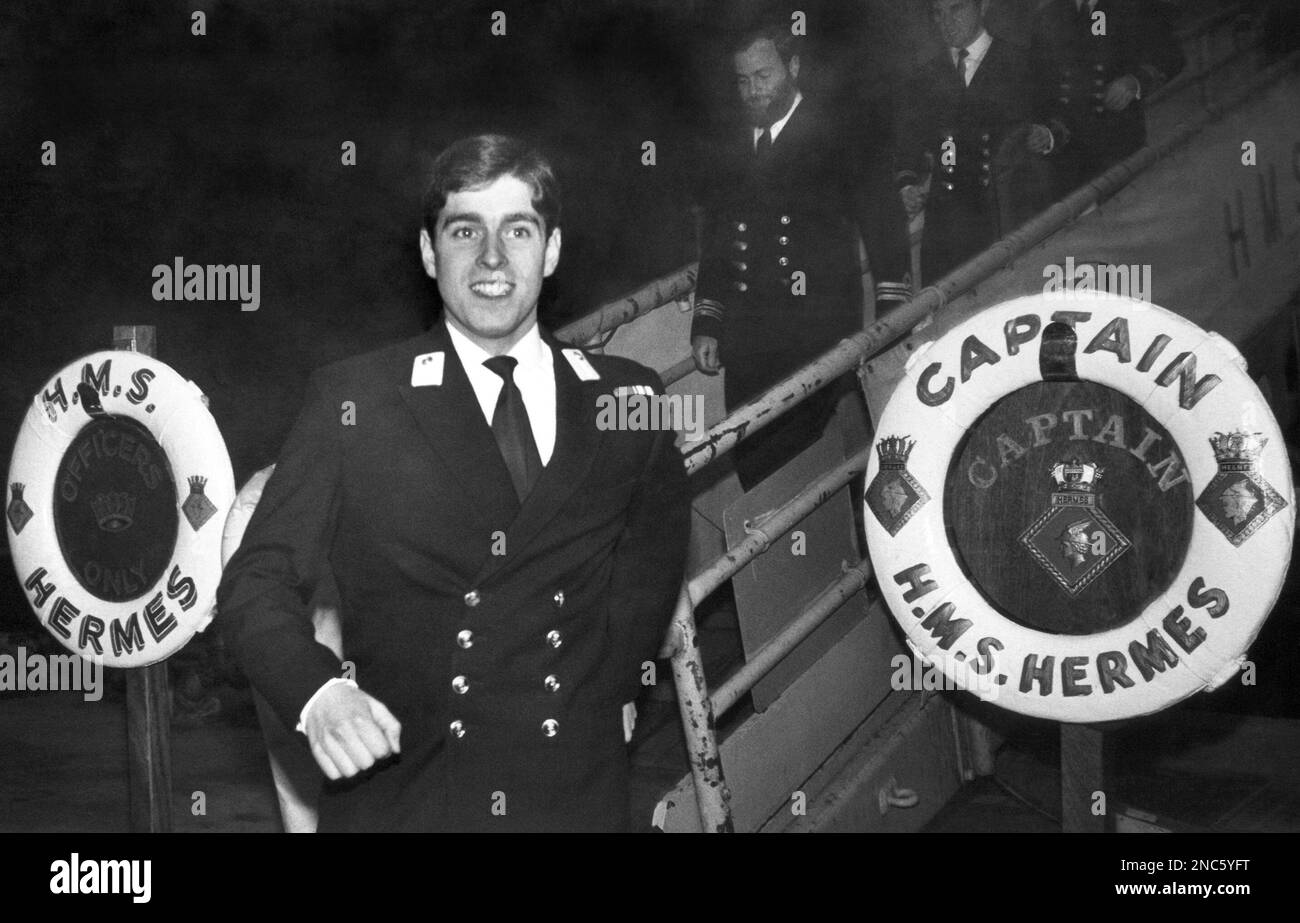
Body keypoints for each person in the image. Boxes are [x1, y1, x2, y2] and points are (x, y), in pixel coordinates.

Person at [217, 134, 691, 832]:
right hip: (410, 793)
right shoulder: (357, 400)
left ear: (551, 250)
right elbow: (256, 581)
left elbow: (649, 568)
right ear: (429, 252)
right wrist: (319, 692)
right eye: (465, 230)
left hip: (574, 798)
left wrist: (607, 693)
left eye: (518, 230)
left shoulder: (630, 401)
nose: (493, 258)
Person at [690, 21, 912, 491]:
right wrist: (708, 317)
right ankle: (775, 561)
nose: (752, 90)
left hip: (819, 332)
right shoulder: (732, 143)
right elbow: (719, 235)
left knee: (819, 466)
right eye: (743, 80)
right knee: (757, 461)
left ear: (793, 67)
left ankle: (832, 560)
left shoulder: (840, 132)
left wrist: (891, 324)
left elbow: (885, 229)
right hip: (748, 338)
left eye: (763, 75)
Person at [895, 0, 1061, 285]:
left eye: (957, 8)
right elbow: (909, 141)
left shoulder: (1021, 60)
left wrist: (1046, 135)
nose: (946, 21)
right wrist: (907, 184)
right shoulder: (926, 75)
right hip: (945, 224)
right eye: (938, 12)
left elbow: (1059, 118)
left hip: (1004, 217)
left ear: (982, 7)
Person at [1031, 0, 1185, 196]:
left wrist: (1135, 81)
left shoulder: (1133, 7)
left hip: (1118, 147)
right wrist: (1046, 130)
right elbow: (1037, 85)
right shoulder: (1048, 15)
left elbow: (1171, 56)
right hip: (1066, 154)